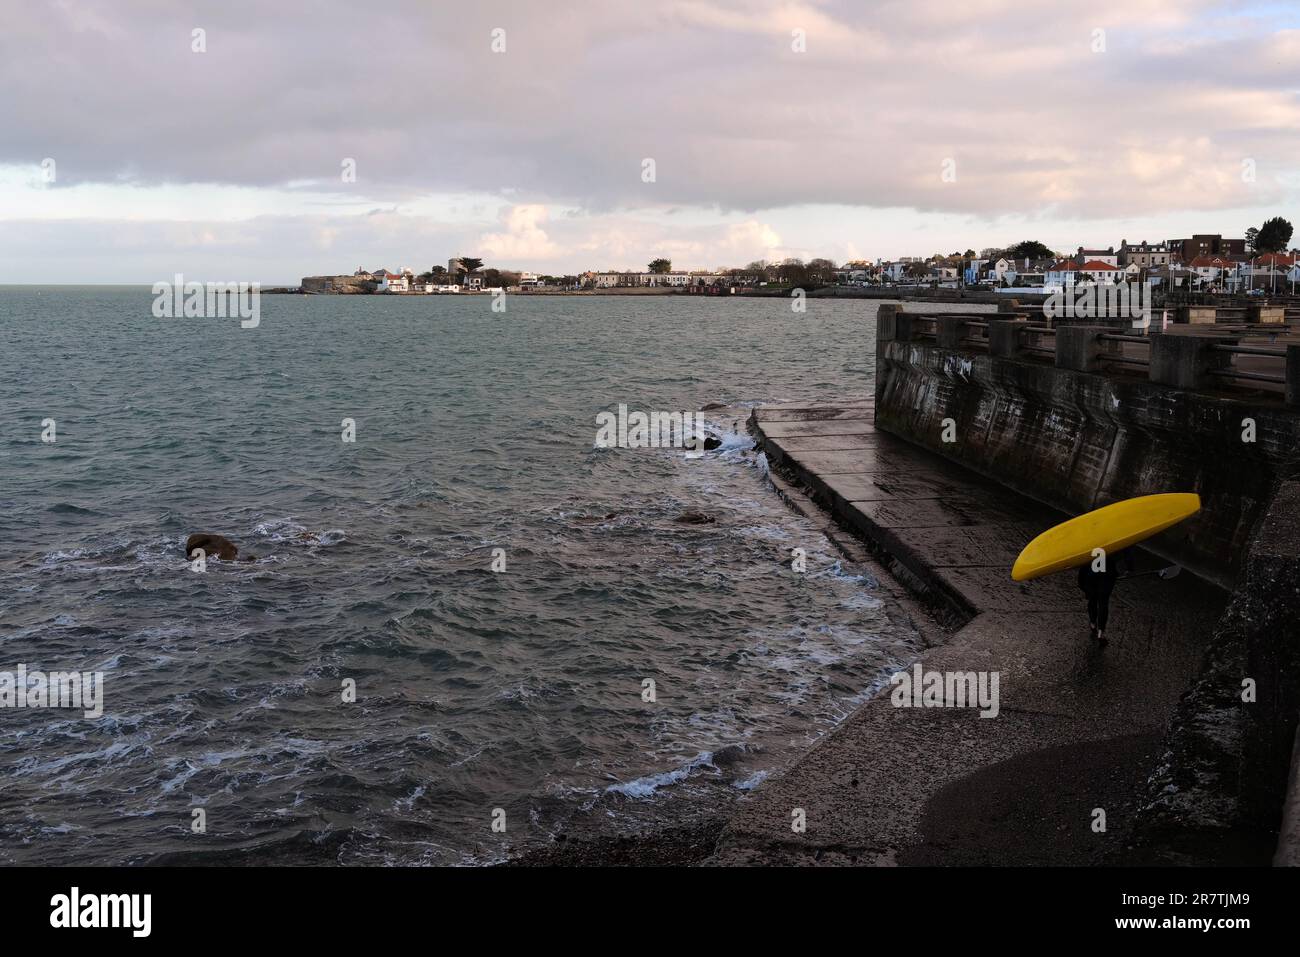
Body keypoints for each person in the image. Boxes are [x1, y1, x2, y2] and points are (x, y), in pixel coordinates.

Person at [1076, 549, 1133, 646]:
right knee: (1103, 603)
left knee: (1092, 600)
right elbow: (1127, 550)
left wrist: (1081, 582)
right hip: (1107, 575)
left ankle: (1093, 623)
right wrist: (1130, 568)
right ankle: (1100, 632)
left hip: (1091, 573)